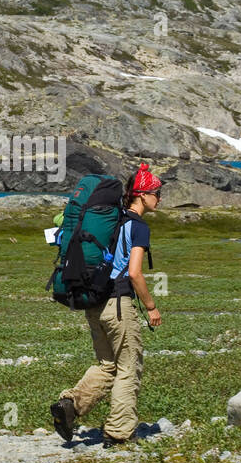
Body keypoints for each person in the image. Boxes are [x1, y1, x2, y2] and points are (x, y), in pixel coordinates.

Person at [50, 163, 163, 447]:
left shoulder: (113, 219)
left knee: (107, 364)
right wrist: (151, 306)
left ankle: (70, 406)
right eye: (156, 193)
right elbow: (135, 272)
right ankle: (119, 431)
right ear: (141, 195)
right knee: (128, 366)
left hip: (95, 301)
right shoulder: (138, 226)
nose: (159, 198)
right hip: (120, 305)